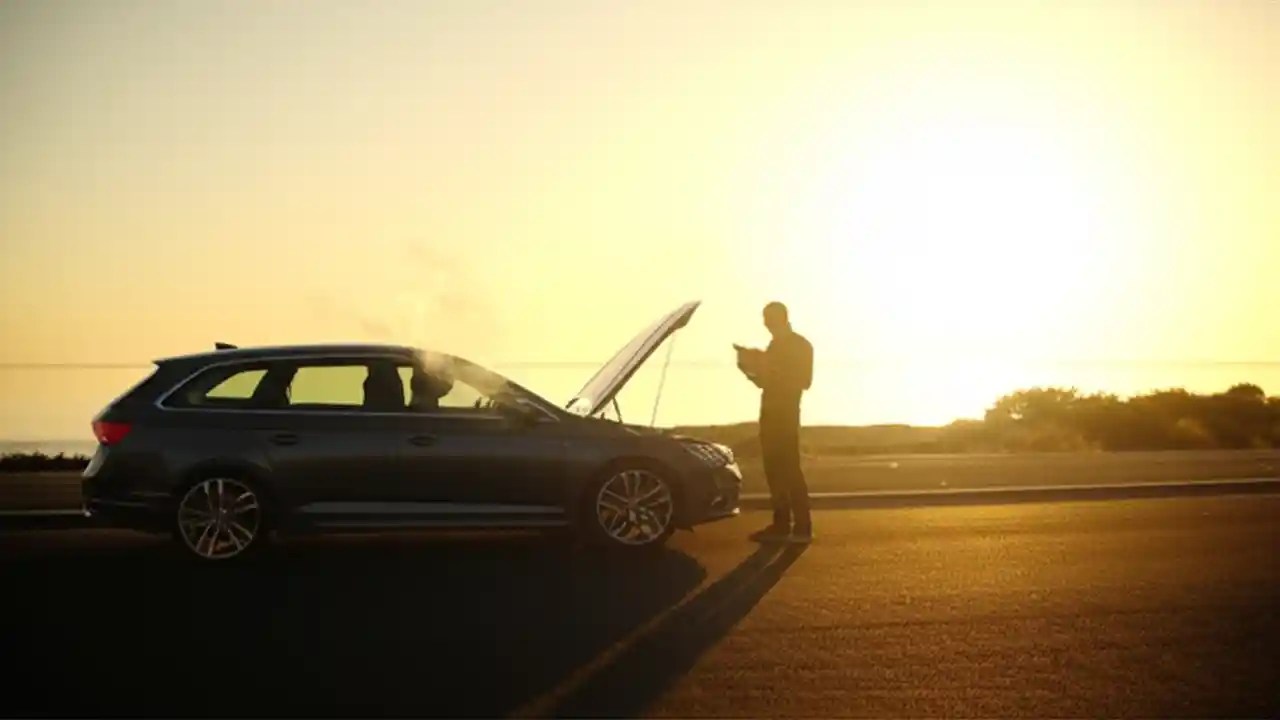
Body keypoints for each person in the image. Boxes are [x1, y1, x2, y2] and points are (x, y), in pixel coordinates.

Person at [735, 301, 814, 544]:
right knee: (773, 470)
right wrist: (749, 369)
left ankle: (802, 526)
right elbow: (764, 382)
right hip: (769, 413)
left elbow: (803, 381)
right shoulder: (774, 345)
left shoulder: (800, 345)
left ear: (779, 319)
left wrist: (770, 367)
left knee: (790, 469)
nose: (765, 324)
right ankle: (781, 524)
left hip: (786, 415)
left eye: (768, 319)